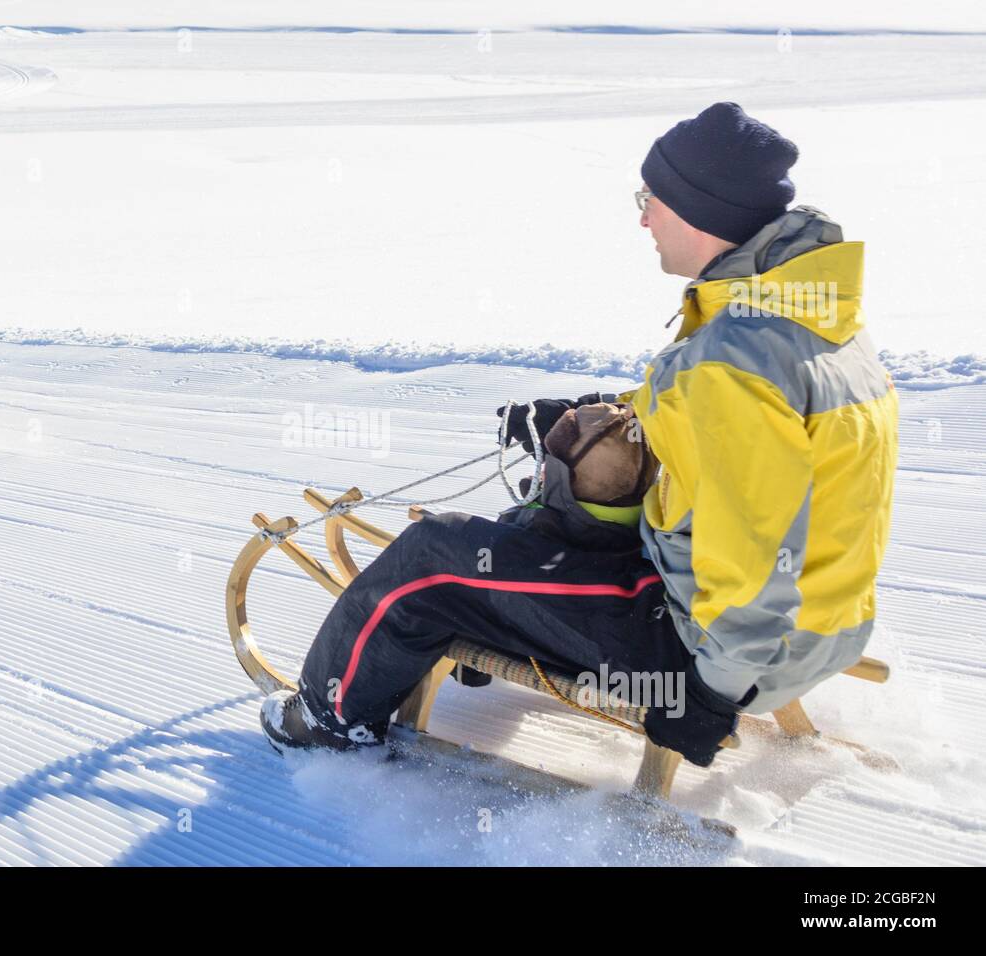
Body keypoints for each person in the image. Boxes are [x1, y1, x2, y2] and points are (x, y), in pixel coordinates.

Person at [261, 102, 899, 768]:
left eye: (651, 199)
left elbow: (755, 550)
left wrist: (708, 693)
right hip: (825, 628)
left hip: (708, 649)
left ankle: (326, 719)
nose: (643, 217)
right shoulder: (819, 323)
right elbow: (738, 446)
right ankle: (482, 613)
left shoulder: (728, 364)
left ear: (699, 213)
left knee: (430, 555)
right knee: (542, 529)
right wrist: (585, 410)